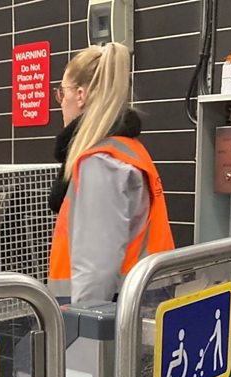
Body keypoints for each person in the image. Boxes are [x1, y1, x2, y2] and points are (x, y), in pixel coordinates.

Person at [47, 42, 175, 304]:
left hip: (111, 310)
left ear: (80, 95)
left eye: (62, 92)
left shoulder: (100, 162)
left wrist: (81, 330)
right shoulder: (128, 149)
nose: (61, 102)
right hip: (141, 299)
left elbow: (96, 269)